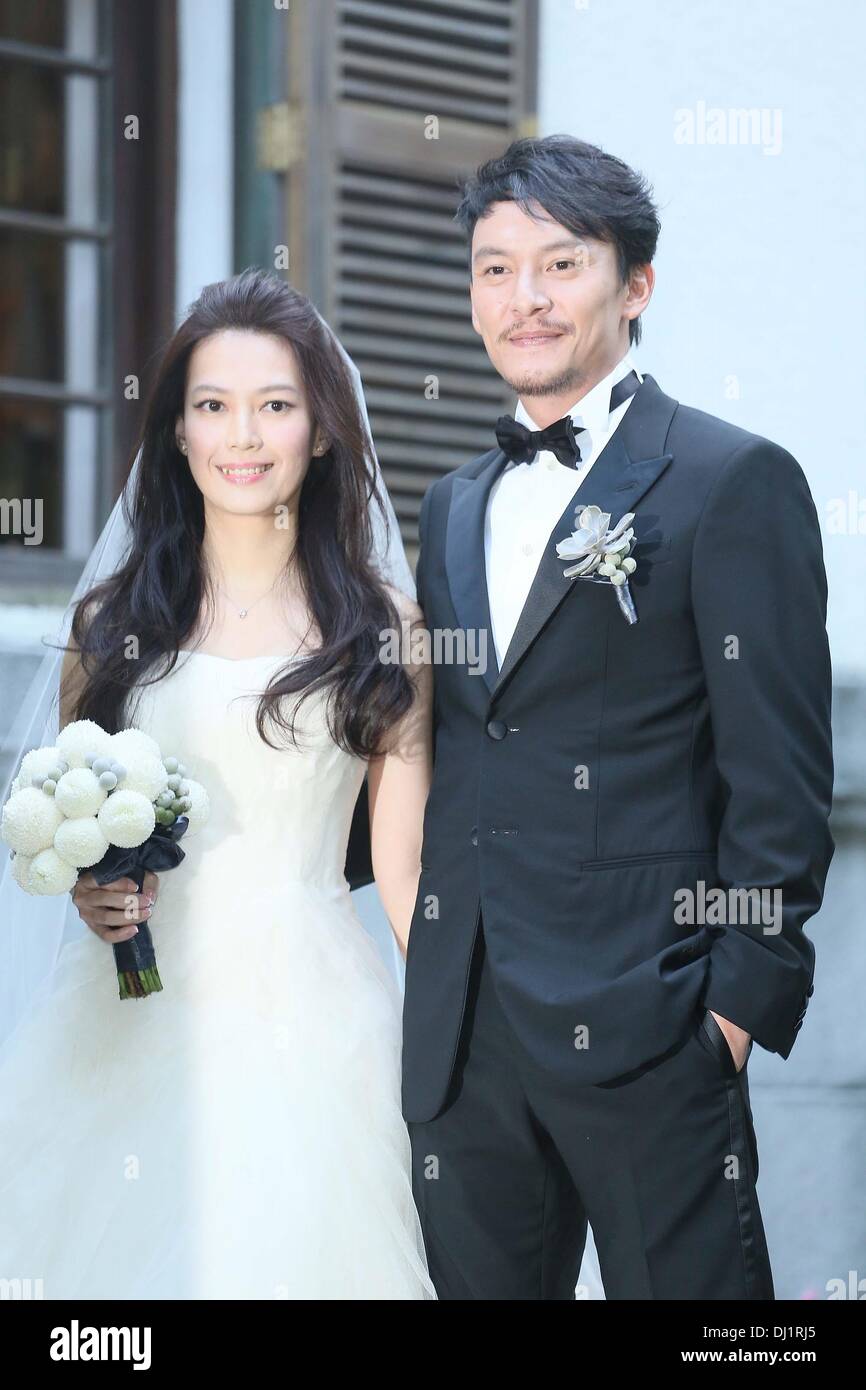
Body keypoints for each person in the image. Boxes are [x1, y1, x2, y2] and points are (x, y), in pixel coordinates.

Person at [401, 134, 834, 1300]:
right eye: (495, 269)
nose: (523, 299)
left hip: (653, 1026)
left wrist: (729, 1018)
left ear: (633, 284)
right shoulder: (449, 506)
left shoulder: (730, 479)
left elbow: (780, 790)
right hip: (467, 1045)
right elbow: (454, 747)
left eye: (560, 264)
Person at [0, 268, 436, 1300]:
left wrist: (496, 1047)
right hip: (126, 1018)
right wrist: (94, 893)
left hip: (319, 1028)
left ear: (320, 432)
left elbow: (409, 876)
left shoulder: (383, 631)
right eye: (212, 406)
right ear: (180, 433)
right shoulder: (109, 622)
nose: (242, 436)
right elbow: (84, 830)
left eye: (274, 406)